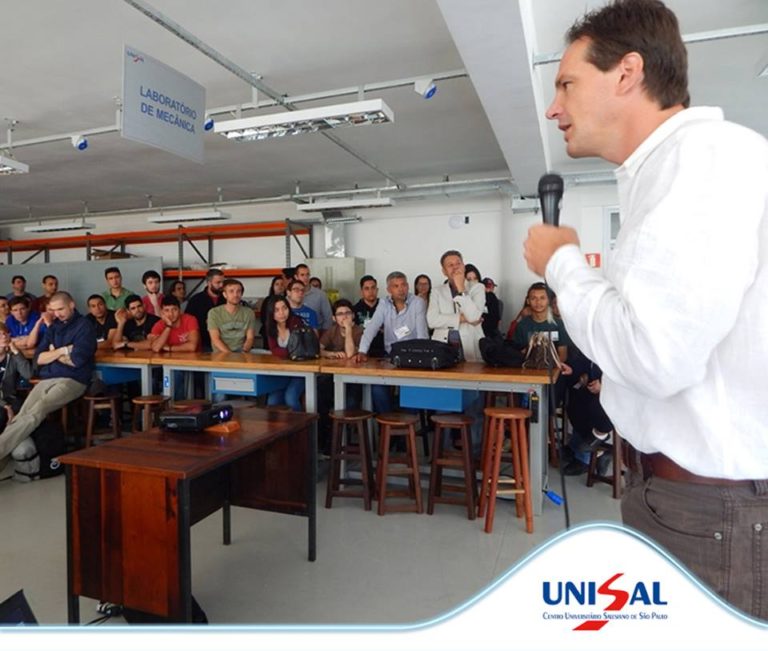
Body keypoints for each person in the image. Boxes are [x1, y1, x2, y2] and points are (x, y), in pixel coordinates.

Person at [523, 0, 768, 618]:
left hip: (712, 510)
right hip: (684, 499)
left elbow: (655, 357)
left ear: (627, 73)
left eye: (566, 84)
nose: (554, 107)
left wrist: (562, 263)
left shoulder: (703, 161)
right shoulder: (670, 172)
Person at [0, 291, 96, 472]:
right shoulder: (54, 327)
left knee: (37, 411)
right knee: (23, 414)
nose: (57, 313)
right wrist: (63, 351)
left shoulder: (85, 326)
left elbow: (77, 360)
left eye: (61, 309)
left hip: (73, 379)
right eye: (53, 310)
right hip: (48, 378)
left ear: (72, 305)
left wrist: (54, 353)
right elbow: (39, 358)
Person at [356, 271, 428, 413]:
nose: (401, 289)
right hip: (391, 357)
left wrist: (420, 358)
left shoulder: (418, 303)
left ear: (408, 286)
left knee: (410, 391)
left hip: (413, 357)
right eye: (396, 286)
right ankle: (388, 423)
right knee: (377, 388)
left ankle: (406, 428)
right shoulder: (384, 304)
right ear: (389, 290)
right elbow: (372, 328)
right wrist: (362, 351)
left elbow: (422, 334)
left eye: (403, 285)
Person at [427, 250, 485, 362]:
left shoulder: (477, 288)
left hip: (470, 345)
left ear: (463, 266)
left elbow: (474, 317)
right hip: (443, 345)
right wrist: (461, 318)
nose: (455, 267)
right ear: (444, 271)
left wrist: (461, 289)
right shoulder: (437, 291)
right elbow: (432, 321)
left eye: (458, 263)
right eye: (450, 265)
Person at [264, 296, 306, 411]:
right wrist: (289, 354)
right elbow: (274, 349)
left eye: (284, 308)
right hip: (282, 371)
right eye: (277, 310)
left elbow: (298, 349)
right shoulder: (270, 327)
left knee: (290, 398)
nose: (282, 313)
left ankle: (301, 427)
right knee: (272, 401)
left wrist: (285, 353)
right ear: (271, 313)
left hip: (300, 371)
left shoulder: (296, 322)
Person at [509, 283, 569, 363]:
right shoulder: (522, 326)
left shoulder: (559, 325)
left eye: (542, 298)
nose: (538, 302)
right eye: (534, 298)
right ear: (528, 301)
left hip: (553, 371)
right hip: (528, 371)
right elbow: (517, 354)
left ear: (549, 301)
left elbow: (563, 356)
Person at [207, 278, 256, 353]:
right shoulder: (214, 313)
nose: (235, 295)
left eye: (238, 291)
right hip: (221, 355)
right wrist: (231, 355)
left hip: (242, 354)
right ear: (224, 294)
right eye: (231, 291)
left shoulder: (249, 313)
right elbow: (215, 339)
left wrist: (244, 352)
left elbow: (250, 338)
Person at [185, 268, 225, 352]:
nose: (221, 285)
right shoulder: (196, 300)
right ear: (209, 283)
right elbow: (187, 322)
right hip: (203, 344)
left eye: (222, 282)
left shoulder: (227, 299)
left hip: (224, 343)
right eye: (218, 282)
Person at [352, 275, 385, 358]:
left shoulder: (386, 307)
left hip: (384, 351)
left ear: (377, 290)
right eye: (367, 288)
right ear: (361, 291)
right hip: (362, 351)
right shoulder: (354, 310)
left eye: (373, 288)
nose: (371, 291)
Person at [294, 264, 332, 331]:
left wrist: (324, 336)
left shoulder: (321, 295)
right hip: (295, 335)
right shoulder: (290, 296)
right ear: (296, 277)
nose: (305, 277)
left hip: (318, 332)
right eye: (302, 275)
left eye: (307, 274)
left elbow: (328, 317)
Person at [258, 275, 286, 350]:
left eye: (282, 284)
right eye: (277, 284)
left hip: (284, 331)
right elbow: (263, 317)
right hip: (269, 331)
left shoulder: (287, 300)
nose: (280, 286)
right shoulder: (267, 300)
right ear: (272, 287)